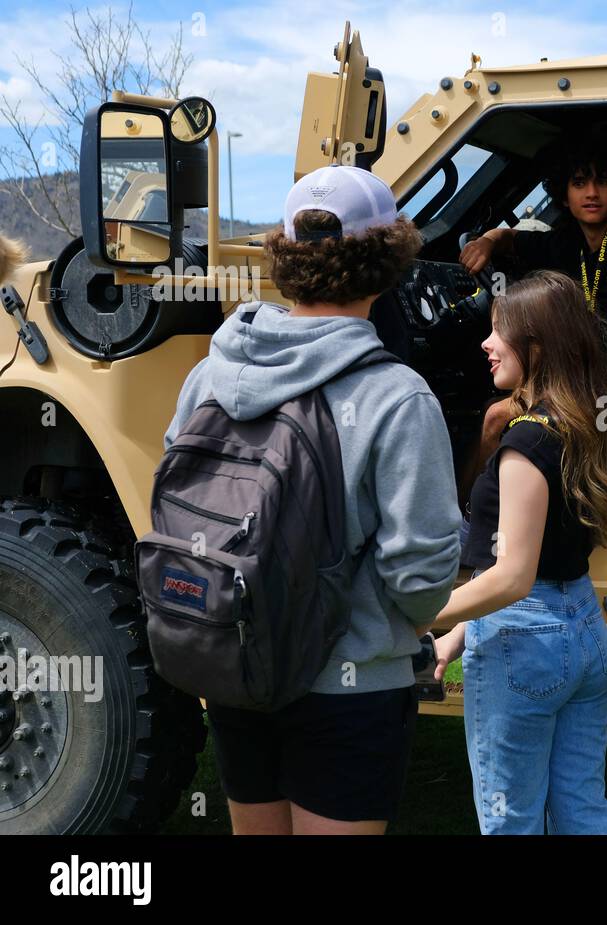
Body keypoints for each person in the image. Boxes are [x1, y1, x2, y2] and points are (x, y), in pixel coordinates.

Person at [164, 164, 462, 835]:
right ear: (387, 267)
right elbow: (420, 577)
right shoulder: (398, 396)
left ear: (285, 258)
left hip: (235, 664)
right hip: (351, 684)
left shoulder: (208, 374)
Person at [420, 270, 607, 834]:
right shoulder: (582, 425)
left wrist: (412, 615)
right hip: (585, 635)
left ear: (535, 348)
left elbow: (512, 577)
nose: (486, 344)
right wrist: (457, 636)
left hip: (523, 648)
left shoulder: (525, 442)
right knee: (583, 814)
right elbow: (544, 569)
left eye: (498, 333)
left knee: (510, 821)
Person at [457, 134, 607, 493]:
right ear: (563, 193)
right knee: (492, 404)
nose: (591, 193)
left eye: (602, 181)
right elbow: (511, 238)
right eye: (579, 183)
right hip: (592, 388)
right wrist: (488, 241)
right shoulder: (565, 242)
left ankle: (465, 525)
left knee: (496, 416)